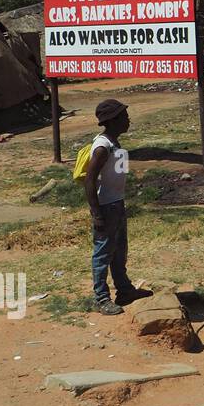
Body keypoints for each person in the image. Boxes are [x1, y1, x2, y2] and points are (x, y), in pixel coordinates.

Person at [84, 99, 143, 315]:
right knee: (103, 254)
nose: (128, 120)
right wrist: (96, 214)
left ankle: (124, 290)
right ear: (114, 120)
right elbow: (89, 181)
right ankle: (101, 298)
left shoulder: (114, 143)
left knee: (119, 252)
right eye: (124, 117)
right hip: (106, 208)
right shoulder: (102, 147)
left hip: (116, 204)